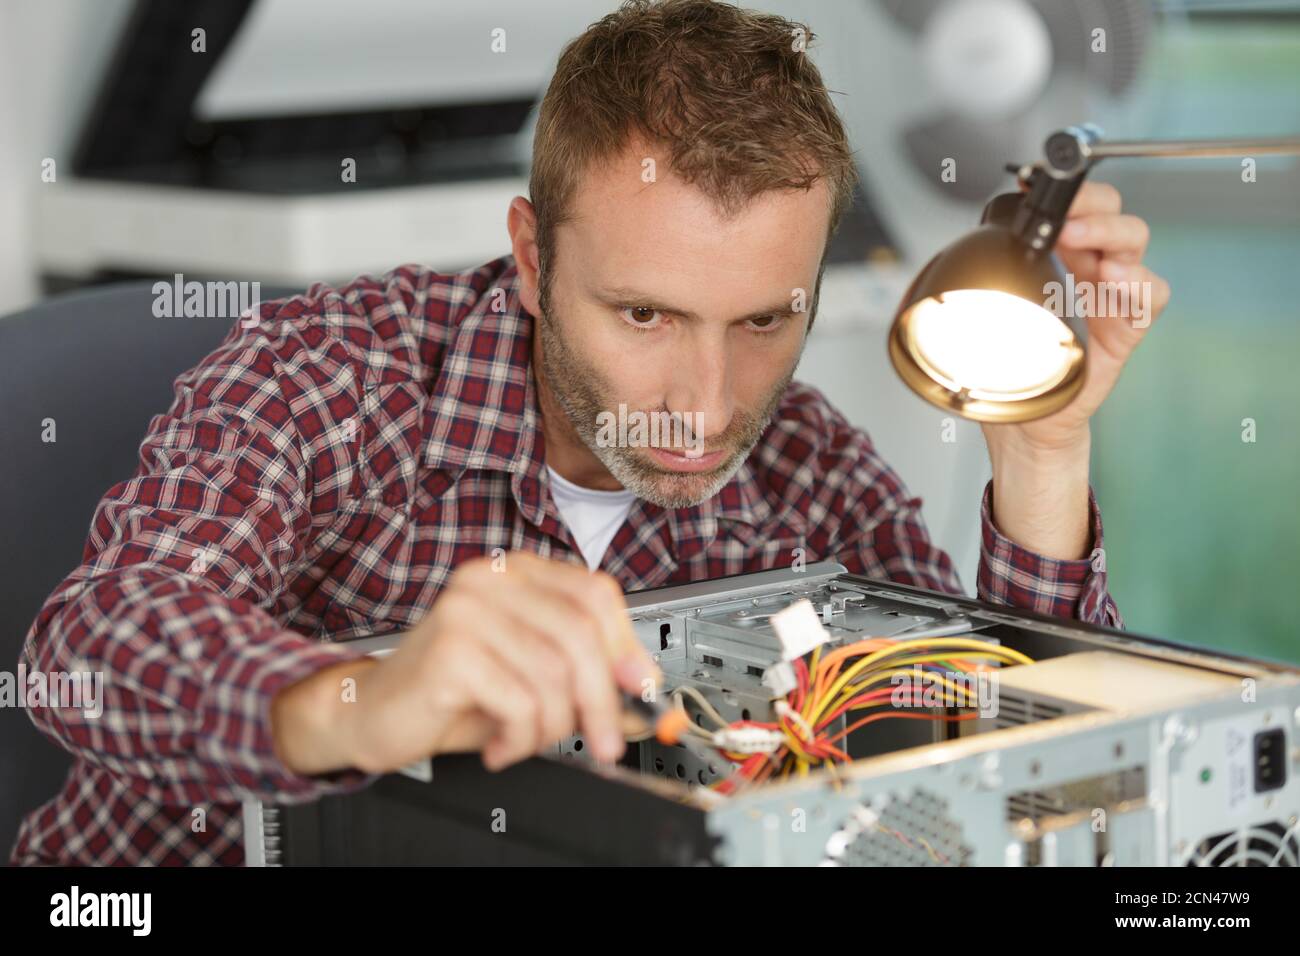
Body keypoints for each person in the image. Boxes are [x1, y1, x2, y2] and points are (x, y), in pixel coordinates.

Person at [11, 0, 1168, 865]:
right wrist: (364, 695)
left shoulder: (810, 469)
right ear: (531, 255)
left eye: (766, 318)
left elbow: (1003, 754)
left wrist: (1044, 454)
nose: (706, 405)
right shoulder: (331, 374)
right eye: (644, 313)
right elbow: (82, 655)